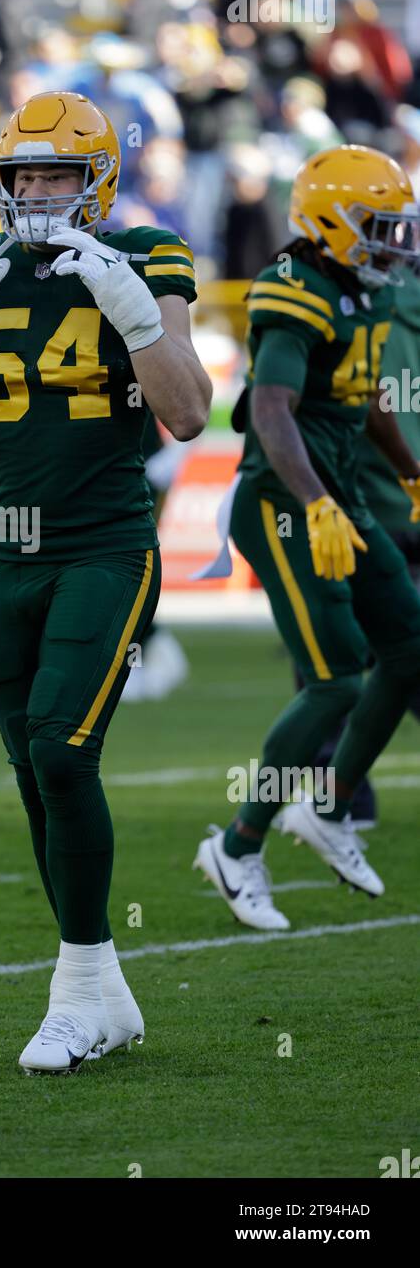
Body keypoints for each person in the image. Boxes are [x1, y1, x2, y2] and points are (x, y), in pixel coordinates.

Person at [0, 91, 211, 1073]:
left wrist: (131, 313)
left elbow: (191, 411)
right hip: (6, 561)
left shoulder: (148, 254)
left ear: (98, 181)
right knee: (37, 777)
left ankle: (73, 992)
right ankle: (100, 988)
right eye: (22, 175)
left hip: (105, 548)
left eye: (57, 175)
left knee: (62, 754)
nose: (36, 192)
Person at [194, 145, 420, 929]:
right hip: (281, 503)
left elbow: (366, 402)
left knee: (407, 646)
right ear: (331, 222)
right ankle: (237, 844)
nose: (394, 240)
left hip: (342, 495)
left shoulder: (368, 293)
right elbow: (268, 410)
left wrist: (412, 474)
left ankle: (323, 811)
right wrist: (314, 501)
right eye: (379, 225)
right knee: (333, 680)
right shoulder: (294, 288)